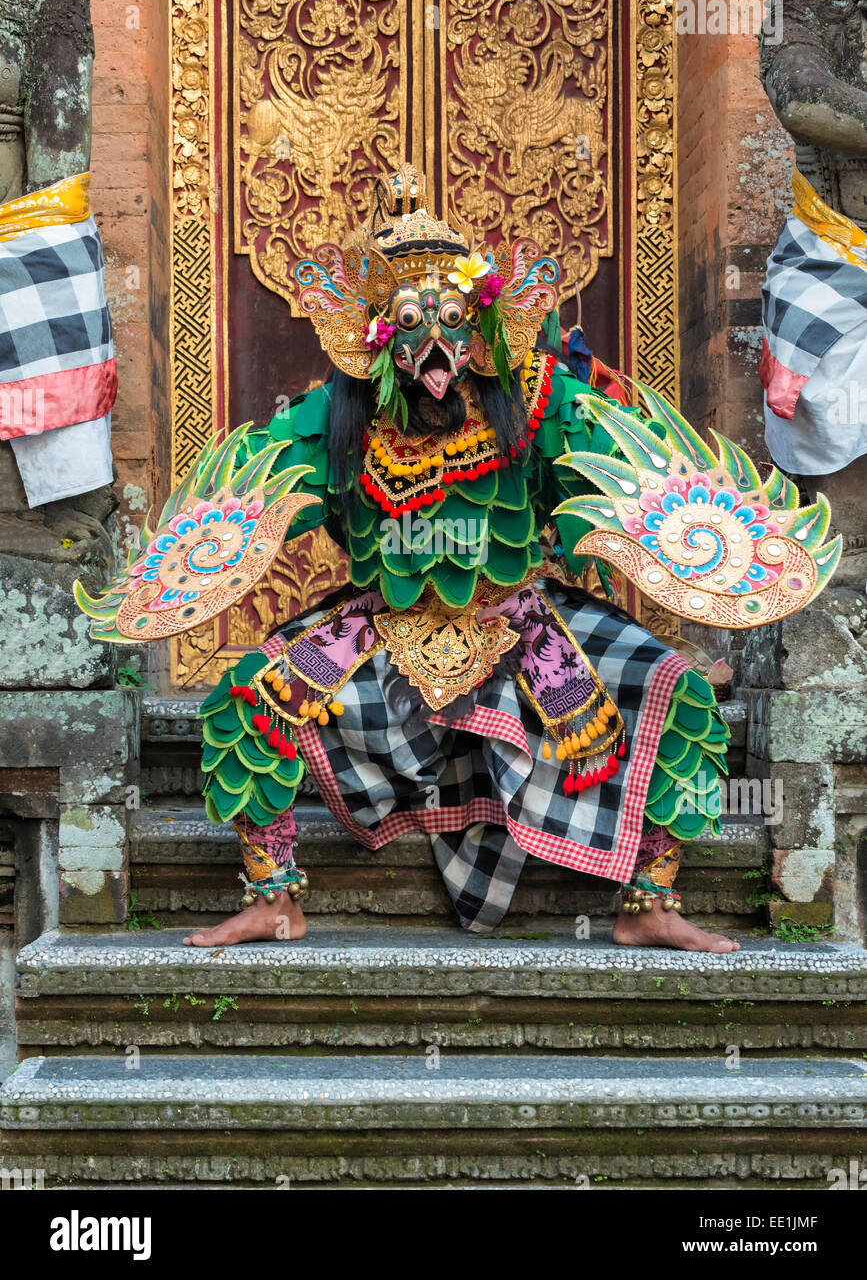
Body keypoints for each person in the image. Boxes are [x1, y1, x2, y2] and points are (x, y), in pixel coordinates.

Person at [77, 163, 840, 953]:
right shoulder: (335, 416)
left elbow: (638, 472)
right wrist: (187, 566)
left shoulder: (540, 399)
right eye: (407, 321)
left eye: (447, 316)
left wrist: (720, 553)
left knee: (676, 690)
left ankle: (649, 900)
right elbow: (250, 490)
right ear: (372, 340)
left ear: (478, 328)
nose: (431, 339)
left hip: (522, 627)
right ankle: (274, 898)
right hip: (381, 629)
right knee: (246, 698)